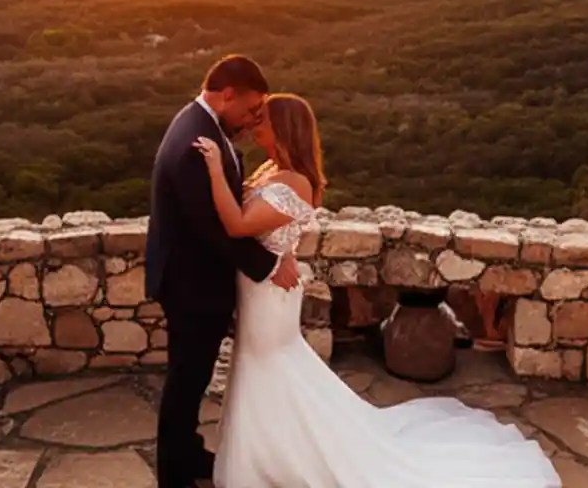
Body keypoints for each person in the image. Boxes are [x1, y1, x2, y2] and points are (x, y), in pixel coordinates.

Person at [193, 93, 563, 488]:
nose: (254, 124)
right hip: (261, 283)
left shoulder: (297, 182)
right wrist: (283, 252)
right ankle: (267, 453)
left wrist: (214, 169)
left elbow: (236, 224)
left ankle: (281, 458)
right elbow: (276, 230)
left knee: (268, 364)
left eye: (262, 119)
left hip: (270, 295)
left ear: (284, 128)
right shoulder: (272, 168)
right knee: (259, 366)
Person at [146, 55, 301, 488]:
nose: (254, 118)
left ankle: (189, 454)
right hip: (191, 285)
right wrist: (271, 264)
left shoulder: (203, 123)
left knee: (191, 379)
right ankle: (174, 477)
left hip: (193, 279)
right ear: (227, 94)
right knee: (185, 382)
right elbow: (216, 230)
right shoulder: (196, 140)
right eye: (251, 108)